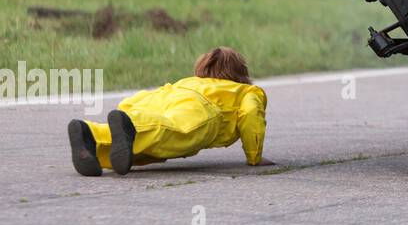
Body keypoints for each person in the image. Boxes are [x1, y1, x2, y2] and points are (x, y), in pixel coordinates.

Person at [66, 47, 270, 176]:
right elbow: (251, 113)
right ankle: (131, 125)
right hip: (200, 107)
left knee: (147, 146)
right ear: (241, 73)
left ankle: (91, 135)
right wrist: (255, 156)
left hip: (164, 96)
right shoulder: (245, 90)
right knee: (173, 131)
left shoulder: (190, 81)